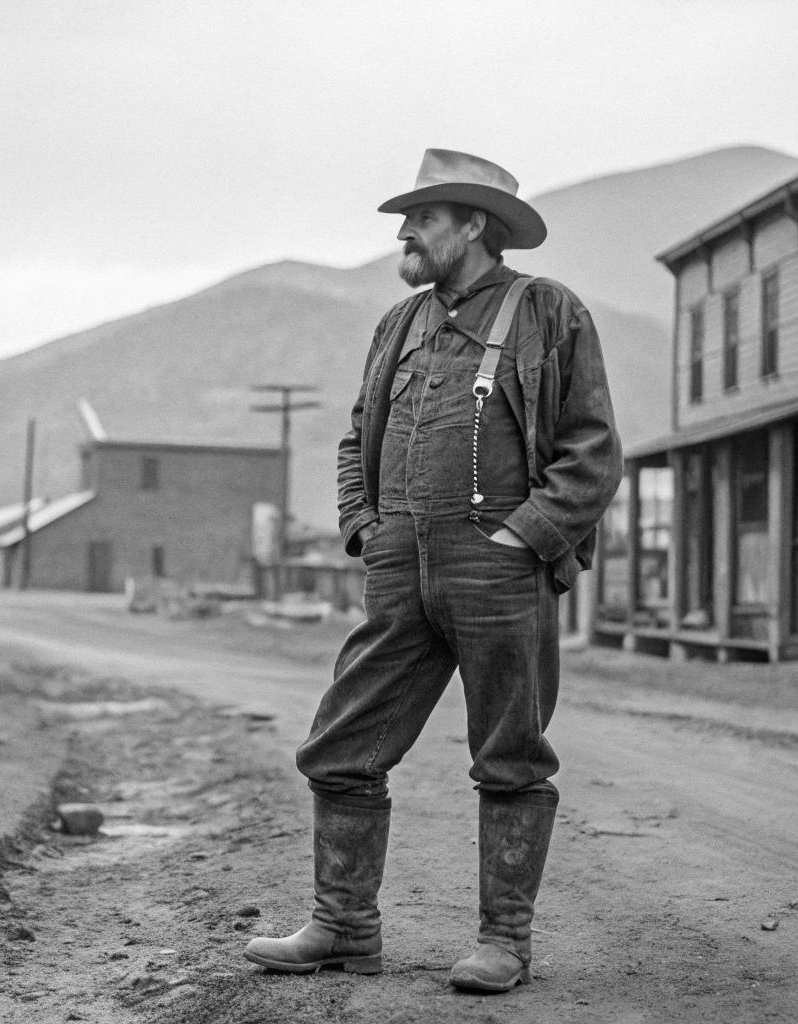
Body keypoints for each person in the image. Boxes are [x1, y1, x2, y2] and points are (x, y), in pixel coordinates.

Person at [243, 149, 622, 992]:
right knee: (341, 747)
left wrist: (526, 537)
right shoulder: (400, 323)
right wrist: (363, 527)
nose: (407, 232)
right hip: (397, 567)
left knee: (510, 757)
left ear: (475, 225)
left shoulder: (548, 312)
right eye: (406, 219)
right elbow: (354, 440)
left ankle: (504, 944)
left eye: (425, 218)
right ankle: (342, 927)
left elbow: (591, 450)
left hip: (499, 568)